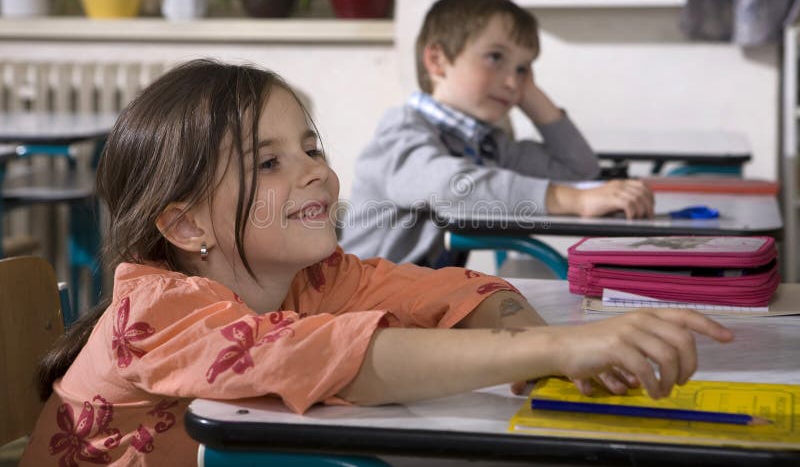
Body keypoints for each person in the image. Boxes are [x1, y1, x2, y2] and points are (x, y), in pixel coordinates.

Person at [22, 59, 731, 466]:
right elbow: (325, 358)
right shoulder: (154, 310)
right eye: (269, 162)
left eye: (312, 147)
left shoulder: (315, 276)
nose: (314, 174)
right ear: (183, 222)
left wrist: (543, 359)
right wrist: (557, 344)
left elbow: (460, 286)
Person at [340, 0, 655, 267]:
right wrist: (570, 200)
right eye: (495, 58)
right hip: (355, 305)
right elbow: (452, 187)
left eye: (522, 69)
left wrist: (530, 96)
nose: (511, 81)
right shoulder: (401, 132)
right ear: (437, 60)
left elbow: (578, 168)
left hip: (415, 302)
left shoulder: (487, 143)